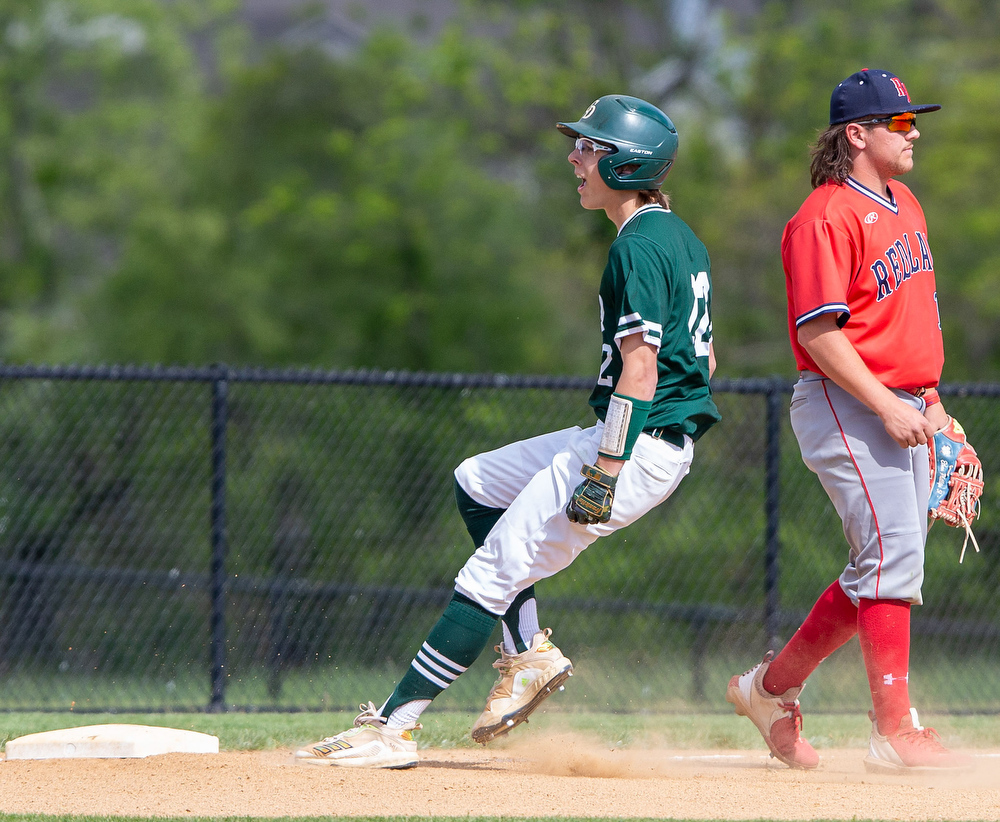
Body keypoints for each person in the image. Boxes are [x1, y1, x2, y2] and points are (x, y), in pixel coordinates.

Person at [294, 94, 720, 769]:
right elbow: (701, 360)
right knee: (477, 482)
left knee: (490, 572)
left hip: (634, 446)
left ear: (630, 163)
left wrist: (605, 471)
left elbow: (640, 371)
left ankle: (395, 727)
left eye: (591, 148)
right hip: (645, 438)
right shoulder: (678, 236)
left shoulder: (639, 244)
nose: (575, 158)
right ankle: (528, 654)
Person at [726, 69, 972, 774]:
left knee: (883, 562)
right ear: (857, 134)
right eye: (900, 122)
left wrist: (930, 402)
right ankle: (893, 728)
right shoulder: (825, 216)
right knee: (892, 557)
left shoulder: (907, 203)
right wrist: (888, 403)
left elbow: (910, 317)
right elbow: (822, 334)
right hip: (845, 399)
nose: (914, 130)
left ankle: (770, 690)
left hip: (904, 401)